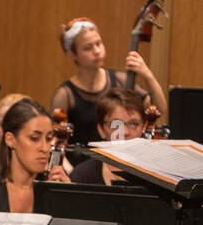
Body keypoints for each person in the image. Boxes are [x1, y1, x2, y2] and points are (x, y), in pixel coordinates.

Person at [50, 17, 167, 145]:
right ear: (72, 54)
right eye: (88, 48)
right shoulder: (66, 94)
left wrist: (148, 75)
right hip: (79, 162)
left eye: (99, 44)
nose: (97, 51)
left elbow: (159, 109)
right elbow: (54, 140)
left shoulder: (120, 80)